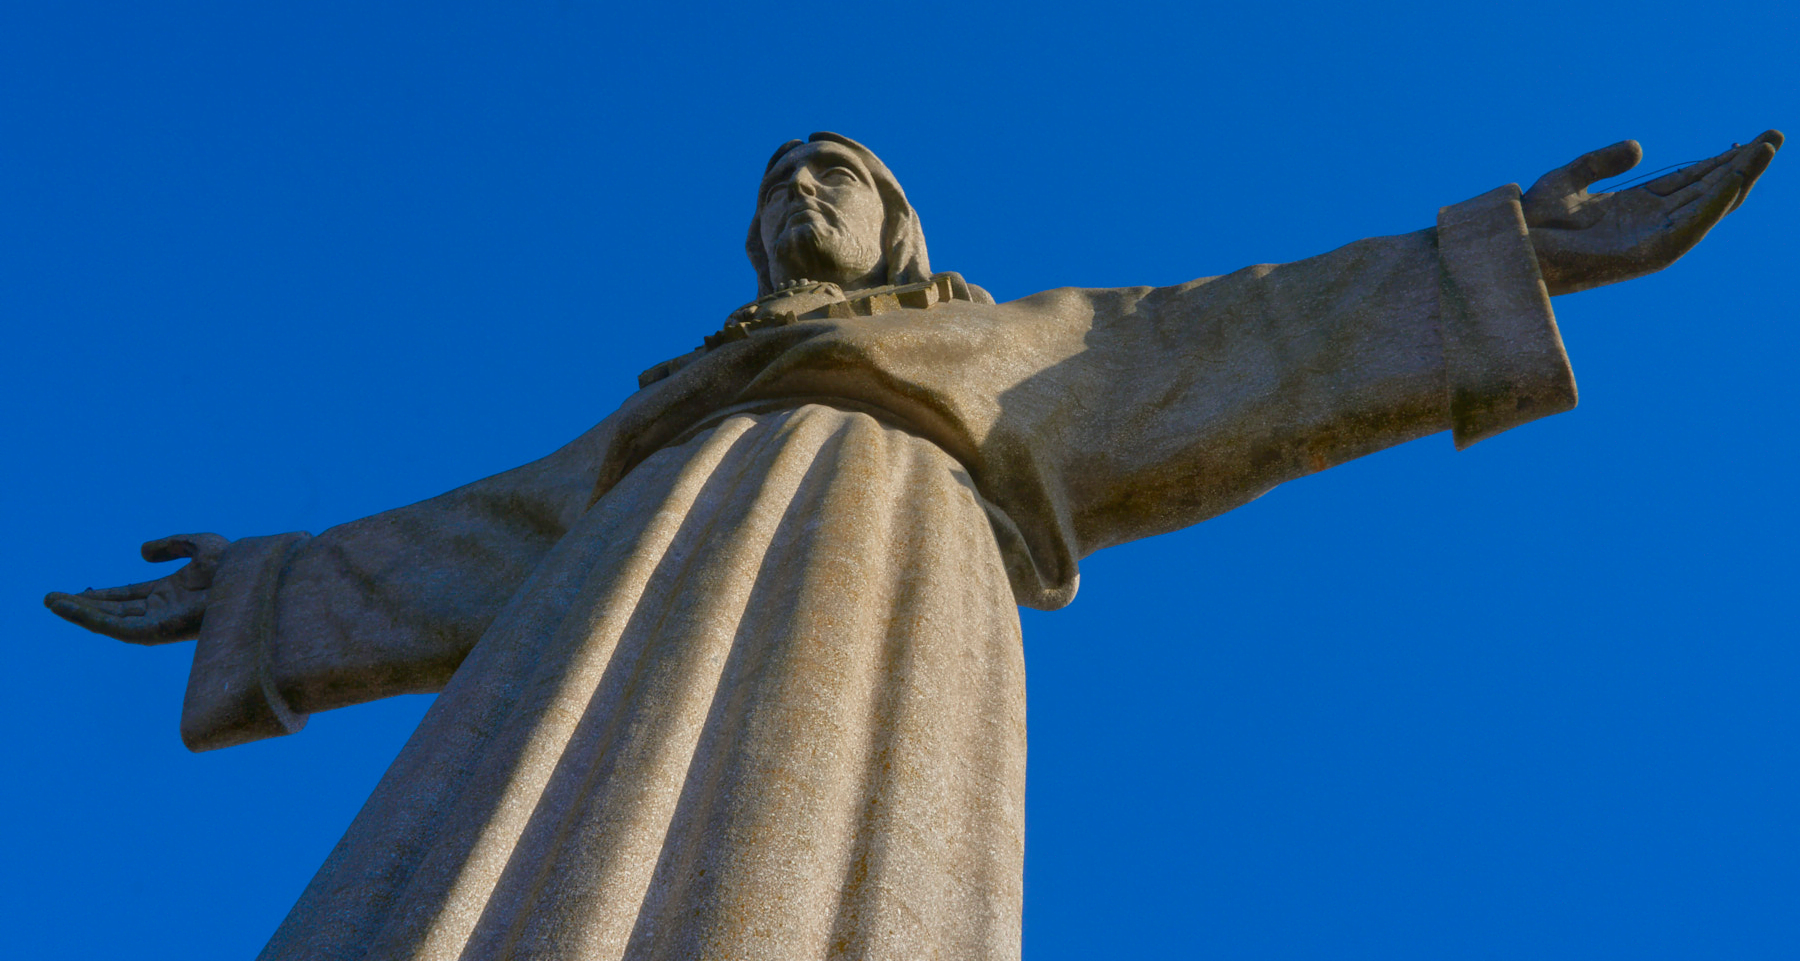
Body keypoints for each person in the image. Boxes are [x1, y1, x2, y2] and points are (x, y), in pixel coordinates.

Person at [46, 130, 1780, 961]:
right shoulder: (660, 425)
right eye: (782, 180)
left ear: (899, 225)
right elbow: (469, 536)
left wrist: (1493, 263)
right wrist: (265, 588)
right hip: (604, 616)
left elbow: (1233, 335)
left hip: (875, 577)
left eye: (839, 174)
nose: (804, 188)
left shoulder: (990, 347)